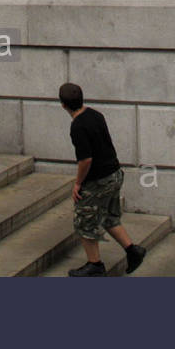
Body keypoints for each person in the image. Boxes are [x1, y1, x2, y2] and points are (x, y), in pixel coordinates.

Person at [58, 82, 146, 277]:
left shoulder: (78, 126)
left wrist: (78, 184)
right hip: (114, 174)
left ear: (63, 105)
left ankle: (95, 265)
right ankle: (133, 251)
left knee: (84, 220)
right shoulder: (96, 115)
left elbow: (86, 160)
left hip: (98, 180)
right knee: (109, 217)